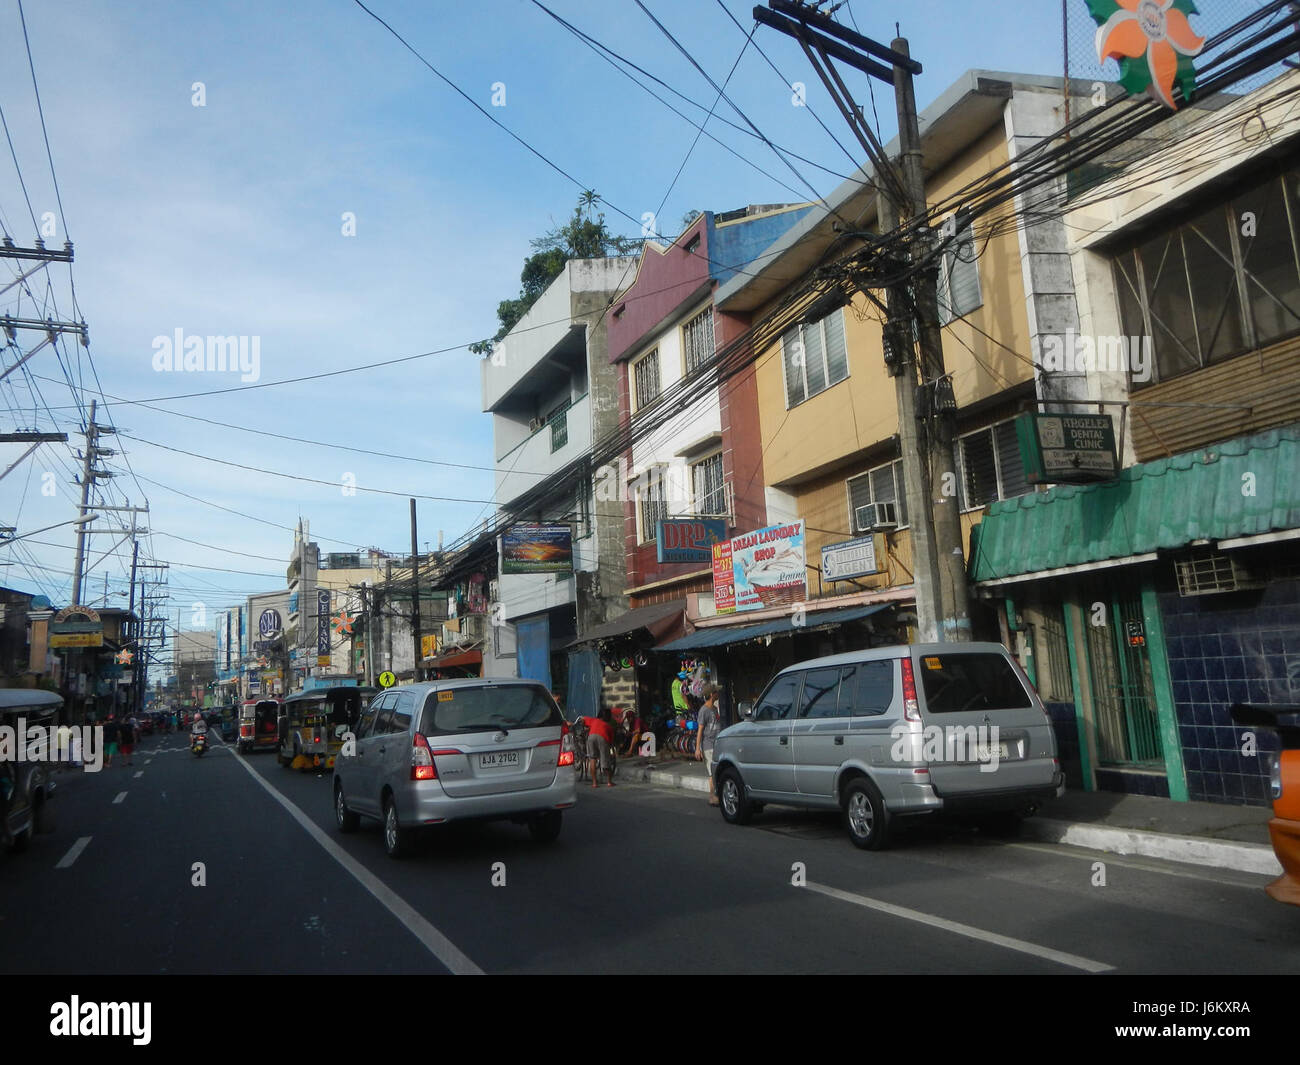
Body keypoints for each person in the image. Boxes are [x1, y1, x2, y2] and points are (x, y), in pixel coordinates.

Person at [695, 684, 722, 806]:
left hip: (717, 745)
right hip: (708, 746)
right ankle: (712, 797)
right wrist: (697, 749)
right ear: (712, 695)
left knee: (717, 771)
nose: (718, 694)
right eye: (716, 692)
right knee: (712, 773)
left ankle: (717, 795)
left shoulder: (715, 709)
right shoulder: (704, 710)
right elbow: (700, 730)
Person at [578, 706, 615, 788]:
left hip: (591, 737)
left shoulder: (594, 720)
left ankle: (594, 783)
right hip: (603, 738)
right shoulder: (608, 726)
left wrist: (584, 726)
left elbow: (583, 718)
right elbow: (611, 742)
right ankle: (609, 782)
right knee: (605, 760)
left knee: (592, 759)